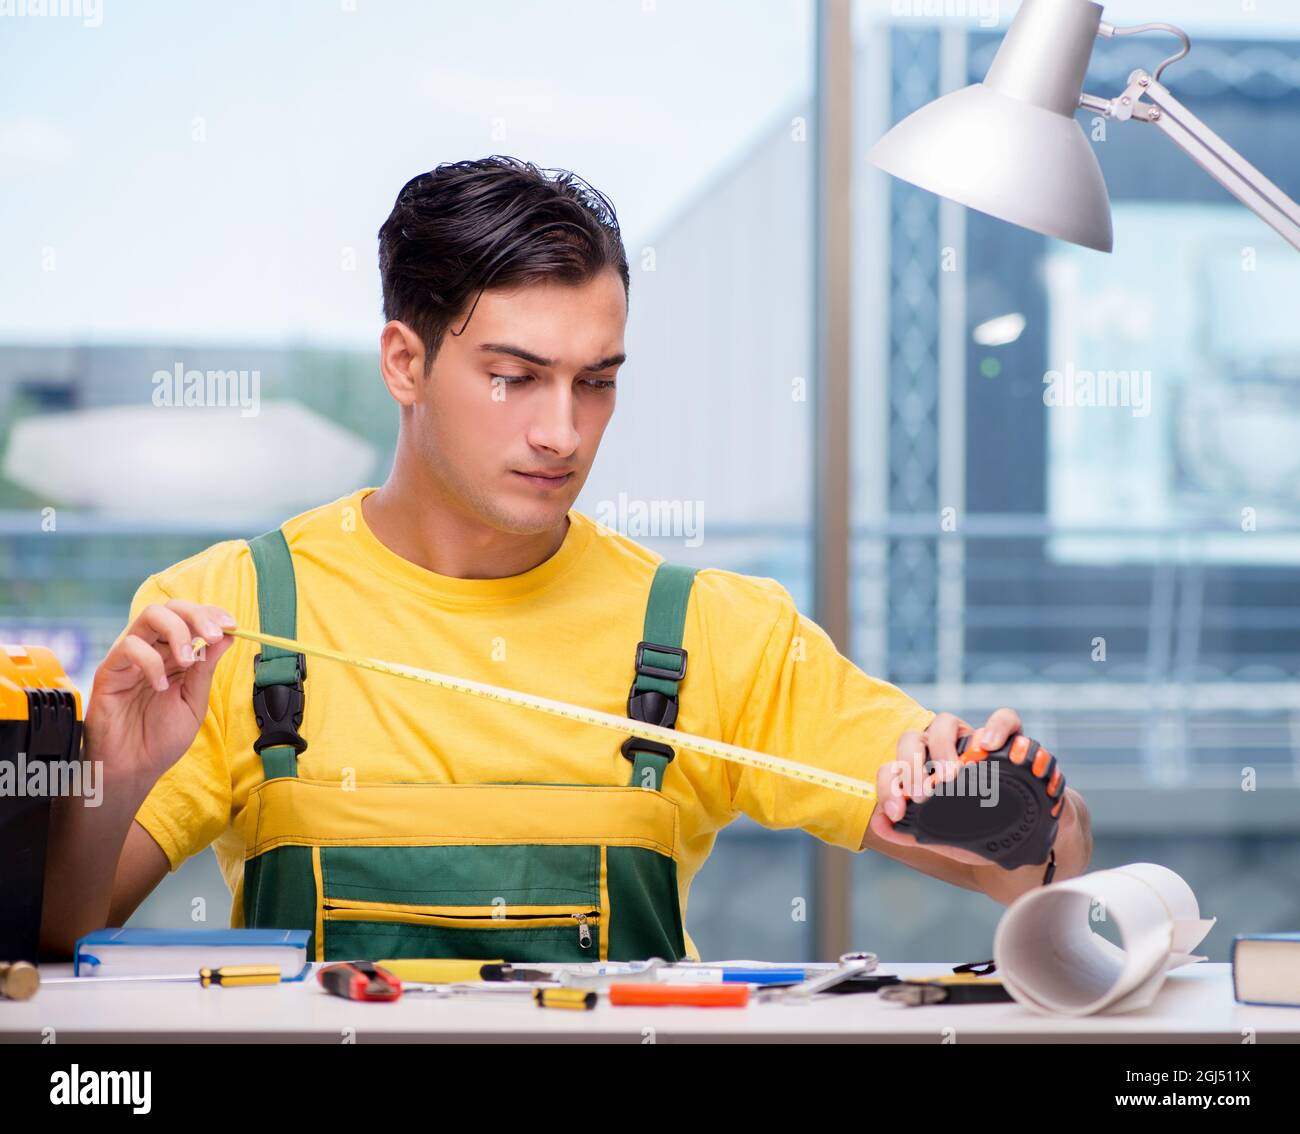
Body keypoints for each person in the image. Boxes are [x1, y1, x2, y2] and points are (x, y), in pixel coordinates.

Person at [41, 157, 1092, 962]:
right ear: (405, 362)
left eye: (596, 381)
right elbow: (55, 939)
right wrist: (110, 777)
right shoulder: (226, 615)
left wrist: (1015, 807)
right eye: (515, 377)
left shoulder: (710, 631)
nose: (563, 432)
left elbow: (1029, 872)